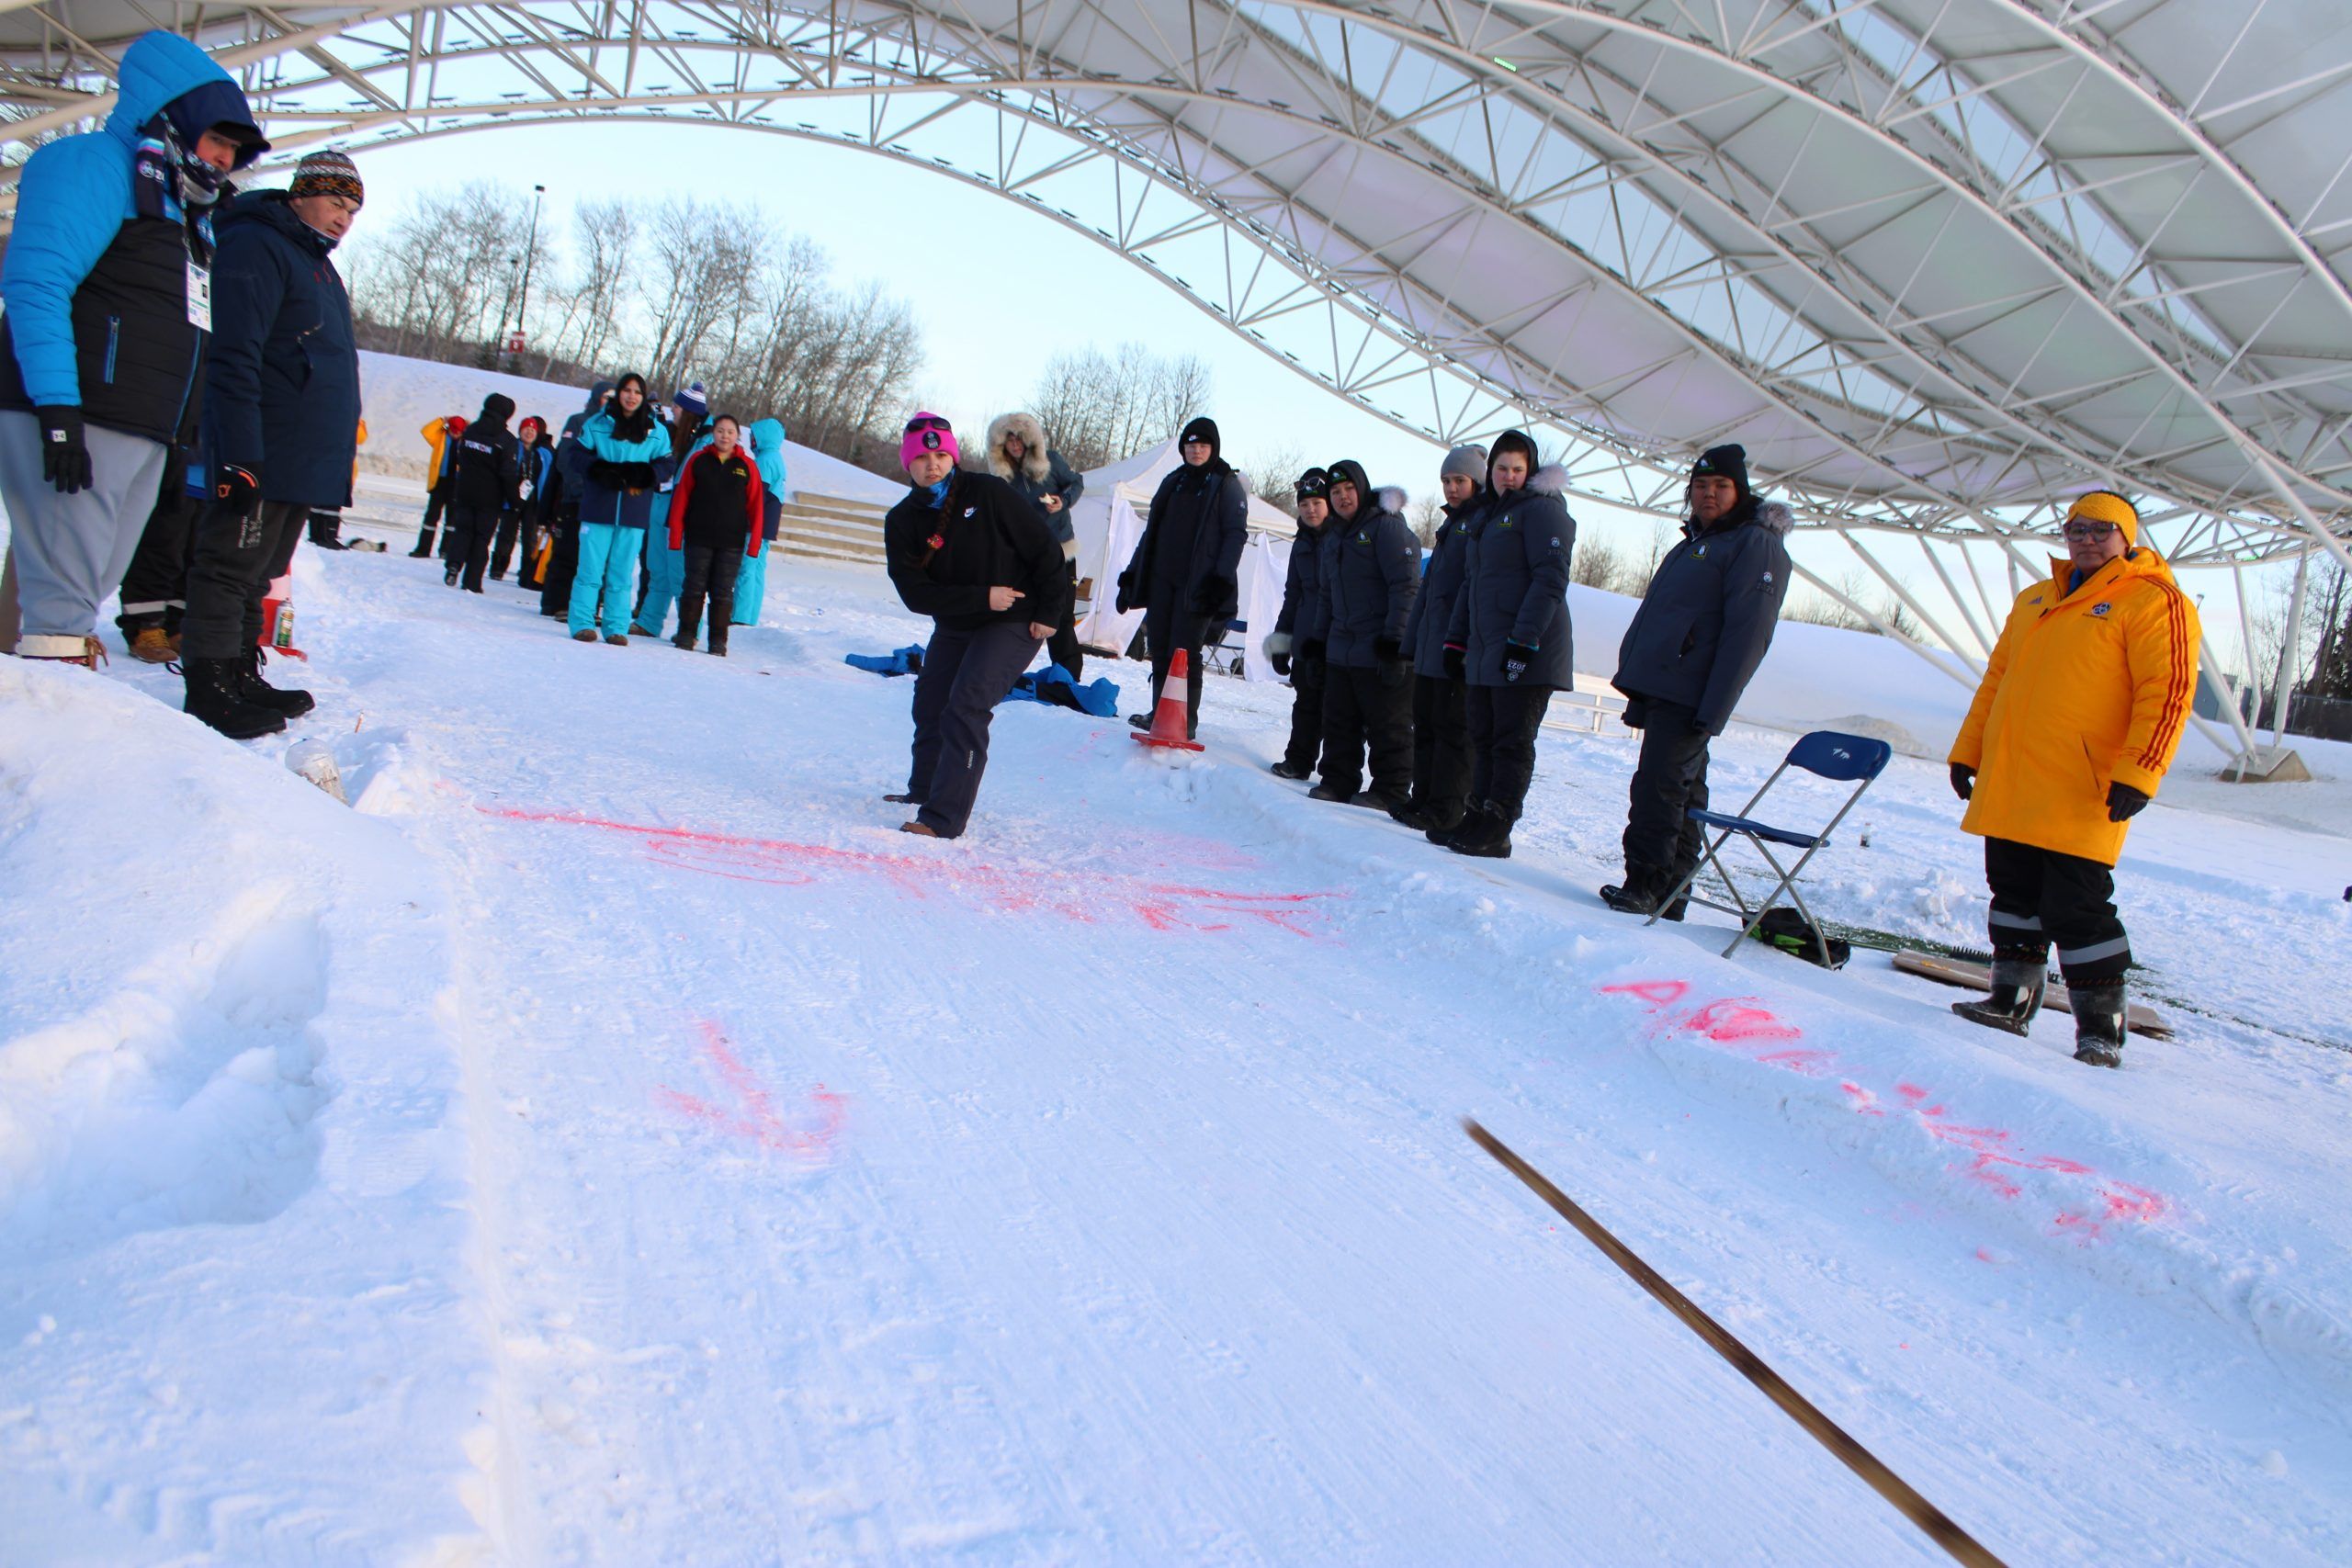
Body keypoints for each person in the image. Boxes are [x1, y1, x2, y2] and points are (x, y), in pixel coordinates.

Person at [0, 31, 267, 667]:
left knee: (90, 576)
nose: (226, 160)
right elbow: (36, 283)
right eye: (218, 140)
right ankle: (50, 700)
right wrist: (58, 408)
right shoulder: (91, 167)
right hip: (79, 410)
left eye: (235, 149)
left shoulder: (184, 207)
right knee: (62, 587)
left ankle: (44, 676)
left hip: (147, 423)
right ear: (174, 121)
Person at [1946, 491, 2199, 1068]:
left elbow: (2168, 692)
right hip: (2013, 776)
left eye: (2101, 530)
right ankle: (2010, 999)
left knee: (2077, 906)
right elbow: (1997, 680)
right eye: (2076, 529)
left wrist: (2141, 771)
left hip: (2083, 784)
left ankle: (2100, 1029)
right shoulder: (2035, 598)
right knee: (2013, 890)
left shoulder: (2154, 600)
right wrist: (1969, 751)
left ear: (2126, 537)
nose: (2086, 539)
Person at [179, 148, 365, 738]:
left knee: (258, 572)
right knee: (228, 564)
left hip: (299, 453)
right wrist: (239, 449)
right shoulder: (258, 245)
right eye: (335, 202)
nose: (343, 219)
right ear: (300, 193)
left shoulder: (317, 264)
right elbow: (236, 353)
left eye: (353, 210)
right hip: (262, 442)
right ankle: (209, 686)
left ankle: (238, 671)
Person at [1602, 444, 1792, 913]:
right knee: (1684, 791)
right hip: (1667, 683)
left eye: (1720, 486)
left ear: (1740, 491)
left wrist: (1715, 707)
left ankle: (1648, 884)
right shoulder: (1699, 541)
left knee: (1659, 787)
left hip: (1692, 691)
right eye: (1701, 486)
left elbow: (1749, 635)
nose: (1708, 494)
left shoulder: (1754, 543)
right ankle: (1671, 892)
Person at [881, 412, 1067, 840]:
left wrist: (1050, 612)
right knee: (931, 701)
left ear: (953, 457)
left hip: (1019, 616)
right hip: (960, 620)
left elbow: (1045, 551)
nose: (934, 464)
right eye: (923, 457)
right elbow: (916, 594)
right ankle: (924, 790)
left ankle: (942, 818)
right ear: (907, 464)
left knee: (967, 703)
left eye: (942, 454)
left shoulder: (987, 492)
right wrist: (981, 596)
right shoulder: (902, 521)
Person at [1435, 433, 1574, 857]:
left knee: (1511, 739)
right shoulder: (1489, 518)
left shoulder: (1543, 511)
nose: (1508, 477)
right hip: (1487, 646)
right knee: (1483, 733)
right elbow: (1473, 585)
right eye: (1501, 469)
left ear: (1529, 472)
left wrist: (1523, 641)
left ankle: (1497, 825)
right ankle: (1476, 816)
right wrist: (1456, 641)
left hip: (1525, 649)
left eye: (1517, 469)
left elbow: (1550, 580)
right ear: (1490, 471)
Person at [1115, 416, 1248, 739]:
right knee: (1160, 646)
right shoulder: (1172, 481)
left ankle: (1184, 719)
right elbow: (1151, 533)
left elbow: (1235, 535)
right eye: (1191, 444)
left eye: (1203, 445)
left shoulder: (1226, 484)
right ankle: (1160, 712)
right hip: (1163, 579)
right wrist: (1132, 575)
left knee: (1186, 650)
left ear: (1213, 448)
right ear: (1183, 448)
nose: (1196, 450)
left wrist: (1221, 580)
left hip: (1198, 586)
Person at [1305, 459, 1419, 809]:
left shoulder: (1386, 528)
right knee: (1339, 719)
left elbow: (1406, 587)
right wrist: (1317, 643)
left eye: (1348, 490)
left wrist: (1394, 644)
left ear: (1362, 489)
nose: (1342, 498)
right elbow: (1326, 595)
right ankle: (1338, 780)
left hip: (1378, 646)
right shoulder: (1334, 537)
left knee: (1388, 723)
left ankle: (1391, 788)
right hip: (1342, 646)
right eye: (1335, 492)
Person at [1394, 445, 1485, 833]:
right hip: (1431, 645)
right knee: (1426, 723)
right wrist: (1411, 642)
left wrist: (1459, 643)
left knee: (1453, 731)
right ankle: (1423, 797)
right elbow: (1428, 592)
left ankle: (1447, 806)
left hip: (1455, 646)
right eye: (1446, 481)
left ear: (1477, 482)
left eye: (1459, 481)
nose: (1451, 488)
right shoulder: (1450, 526)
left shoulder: (1479, 523)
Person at [563, 373, 672, 644]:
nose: (631, 396)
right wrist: (599, 470)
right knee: (590, 570)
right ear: (619, 393)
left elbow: (667, 464)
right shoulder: (597, 423)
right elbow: (575, 455)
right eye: (627, 390)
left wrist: (646, 475)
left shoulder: (655, 430)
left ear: (643, 396)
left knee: (621, 574)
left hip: (633, 512)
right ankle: (582, 623)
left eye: (637, 392)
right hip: (598, 508)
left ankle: (616, 627)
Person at [987, 412, 1087, 676]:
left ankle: (1067, 678)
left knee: (1062, 617)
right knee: (1018, 614)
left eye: (1020, 438)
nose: (1015, 444)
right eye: (1009, 439)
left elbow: (1077, 482)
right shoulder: (1003, 477)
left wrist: (1062, 501)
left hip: (1061, 552)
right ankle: (1001, 669)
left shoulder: (1051, 461)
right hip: (1025, 559)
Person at [667, 414, 764, 654]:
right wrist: (675, 536)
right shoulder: (698, 461)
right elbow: (681, 500)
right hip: (698, 537)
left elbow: (756, 507)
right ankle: (687, 634)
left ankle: (718, 640)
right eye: (720, 431)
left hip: (731, 541)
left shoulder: (747, 466)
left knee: (722, 591)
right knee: (693, 587)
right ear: (713, 433)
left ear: (737, 436)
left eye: (730, 432)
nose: (725, 436)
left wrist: (754, 546)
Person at [1265, 467, 1332, 780]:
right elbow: (1292, 595)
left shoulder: (1341, 539)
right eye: (1304, 505)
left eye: (1316, 503)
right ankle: (1298, 761)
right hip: (1305, 637)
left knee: (1336, 711)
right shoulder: (1301, 544)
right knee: (1305, 704)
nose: (1310, 510)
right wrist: (1282, 642)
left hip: (1335, 640)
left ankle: (1337, 774)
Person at [633, 382, 706, 637]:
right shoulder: (671, 434)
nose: (671, 409)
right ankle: (649, 621)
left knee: (678, 574)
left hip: (679, 516)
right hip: (659, 510)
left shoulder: (703, 441)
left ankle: (690, 627)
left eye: (676, 406)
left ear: (687, 410)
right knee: (657, 569)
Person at [538, 381, 611, 618]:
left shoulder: (616, 428)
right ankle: (557, 602)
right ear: (596, 397)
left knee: (597, 559)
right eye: (605, 397)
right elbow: (566, 459)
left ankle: (589, 606)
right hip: (575, 500)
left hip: (601, 503)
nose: (609, 401)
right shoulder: (578, 421)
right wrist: (579, 487)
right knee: (567, 552)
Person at [440, 392, 521, 592]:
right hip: (490, 498)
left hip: (465, 491)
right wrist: (514, 500)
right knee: (481, 537)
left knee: (463, 530)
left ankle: (454, 564)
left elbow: (460, 458)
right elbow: (508, 473)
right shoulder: (506, 439)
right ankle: (472, 581)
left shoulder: (471, 430)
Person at [491, 414, 548, 581]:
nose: (529, 432)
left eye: (532, 430)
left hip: (532, 501)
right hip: (512, 498)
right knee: (506, 534)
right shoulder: (513, 448)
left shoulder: (541, 453)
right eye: (526, 429)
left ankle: (526, 571)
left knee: (530, 537)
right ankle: (498, 567)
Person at [408, 412, 467, 558]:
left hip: (457, 484)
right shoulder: (440, 436)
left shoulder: (467, 441)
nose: (455, 433)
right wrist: (441, 420)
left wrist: (470, 427)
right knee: (431, 517)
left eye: (459, 431)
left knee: (452, 520)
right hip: (439, 482)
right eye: (453, 429)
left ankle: (446, 550)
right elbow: (426, 432)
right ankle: (423, 548)